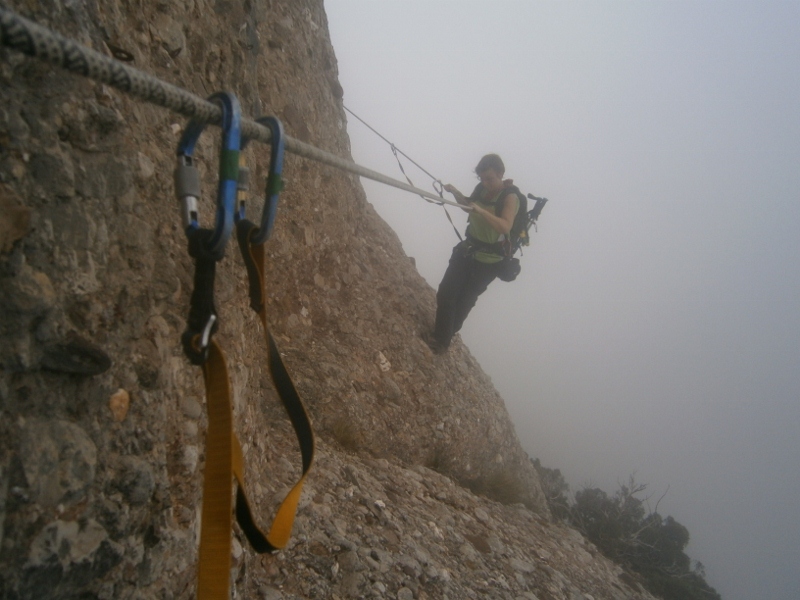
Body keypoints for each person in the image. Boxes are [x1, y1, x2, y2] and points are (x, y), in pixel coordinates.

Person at [428, 153, 520, 354]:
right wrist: (455, 192)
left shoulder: (509, 197)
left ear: (501, 174)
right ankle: (441, 335)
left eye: (490, 179)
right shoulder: (481, 189)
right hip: (468, 249)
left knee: (465, 299)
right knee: (446, 292)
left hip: (490, 261)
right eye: (482, 179)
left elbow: (505, 226)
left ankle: (442, 340)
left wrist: (482, 212)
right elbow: (469, 208)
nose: (486, 183)